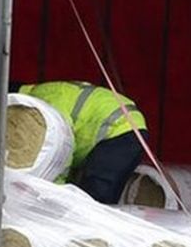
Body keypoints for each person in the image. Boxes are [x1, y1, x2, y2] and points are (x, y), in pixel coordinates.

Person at [15, 81, 148, 204]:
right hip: (128, 128)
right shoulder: (48, 91)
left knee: (93, 201)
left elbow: (61, 146)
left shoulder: (40, 102)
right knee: (103, 200)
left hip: (119, 130)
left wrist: (55, 189)